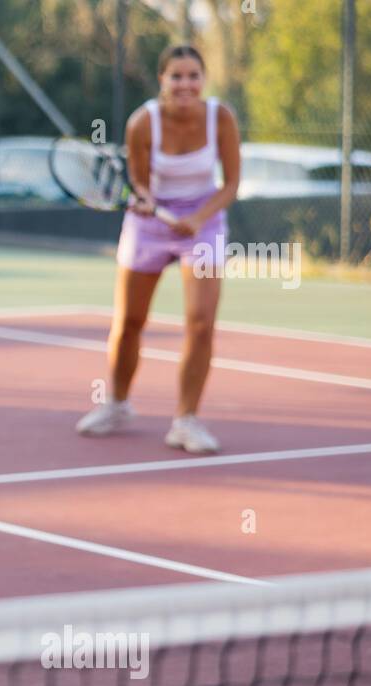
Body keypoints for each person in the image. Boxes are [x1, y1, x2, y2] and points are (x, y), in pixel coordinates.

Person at [75, 45, 240, 453]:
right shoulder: (142, 122)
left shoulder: (221, 117)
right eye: (177, 76)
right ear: (162, 80)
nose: (186, 84)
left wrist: (198, 219)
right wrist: (147, 200)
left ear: (203, 79)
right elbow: (140, 183)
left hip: (204, 223)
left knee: (201, 323)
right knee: (130, 321)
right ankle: (116, 403)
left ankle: (186, 421)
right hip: (150, 224)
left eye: (193, 76)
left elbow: (231, 184)